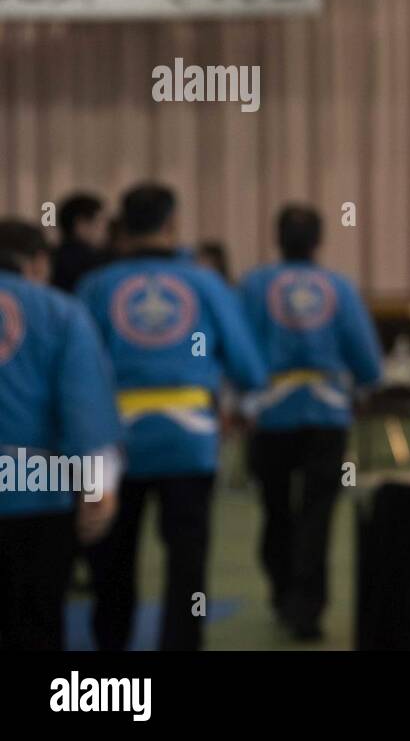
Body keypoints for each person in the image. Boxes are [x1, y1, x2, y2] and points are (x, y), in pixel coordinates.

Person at [77, 183, 267, 650]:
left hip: (113, 445)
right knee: (187, 562)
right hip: (190, 441)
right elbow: (247, 365)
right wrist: (243, 404)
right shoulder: (205, 282)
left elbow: (76, 370)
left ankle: (110, 655)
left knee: (111, 560)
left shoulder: (96, 286)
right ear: (172, 223)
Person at [239, 205, 384, 640]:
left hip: (271, 414)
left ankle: (283, 592)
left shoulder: (254, 285)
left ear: (276, 237)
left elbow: (238, 345)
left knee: (275, 508)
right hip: (326, 414)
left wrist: (238, 399)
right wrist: (365, 384)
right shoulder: (337, 286)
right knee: (318, 514)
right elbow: (365, 353)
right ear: (319, 240)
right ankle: (308, 609)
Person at [0, 220, 123, 649]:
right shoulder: (60, 311)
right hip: (38, 488)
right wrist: (99, 485)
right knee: (37, 617)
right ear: (36, 262)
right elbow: (84, 403)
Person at [51, 192, 110, 293]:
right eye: (101, 221)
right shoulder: (95, 264)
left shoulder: (51, 257)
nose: (106, 229)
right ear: (81, 224)